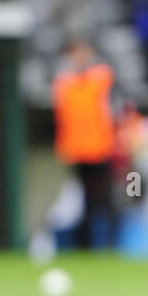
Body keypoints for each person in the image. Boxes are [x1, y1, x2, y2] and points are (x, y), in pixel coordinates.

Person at [51, 39, 118, 250]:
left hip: (101, 149)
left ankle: (110, 245)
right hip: (76, 151)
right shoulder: (64, 82)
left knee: (105, 199)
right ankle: (85, 247)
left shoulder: (103, 77)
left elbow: (113, 110)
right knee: (81, 203)